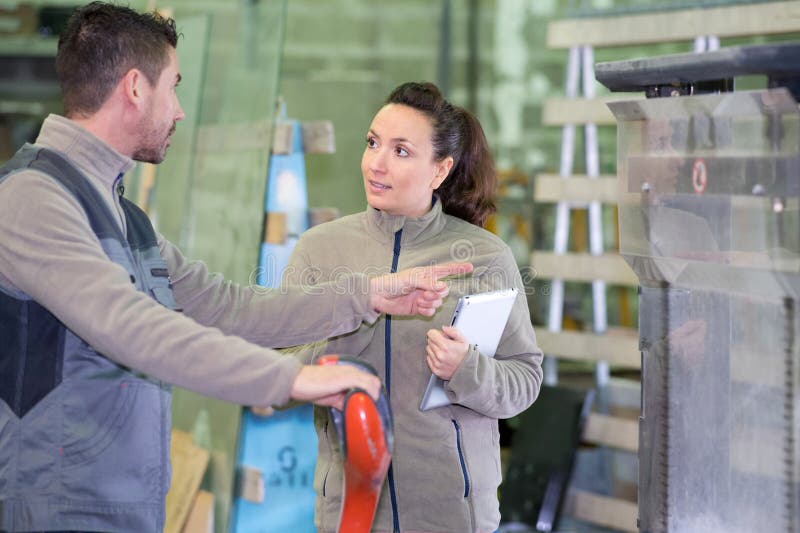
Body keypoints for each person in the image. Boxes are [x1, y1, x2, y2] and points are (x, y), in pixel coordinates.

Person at [0, 5, 471, 532]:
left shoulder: (125, 219)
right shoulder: (33, 200)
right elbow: (134, 328)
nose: (178, 110)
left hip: (120, 508)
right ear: (135, 88)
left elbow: (229, 306)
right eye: (173, 86)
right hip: (55, 510)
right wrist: (293, 379)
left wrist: (369, 295)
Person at [282, 82, 543, 533]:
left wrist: (467, 369)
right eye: (372, 143)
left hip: (453, 515)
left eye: (401, 151)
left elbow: (525, 379)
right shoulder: (319, 251)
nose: (376, 163)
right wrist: (346, 327)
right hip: (350, 512)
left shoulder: (484, 257)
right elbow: (277, 373)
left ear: (439, 170)